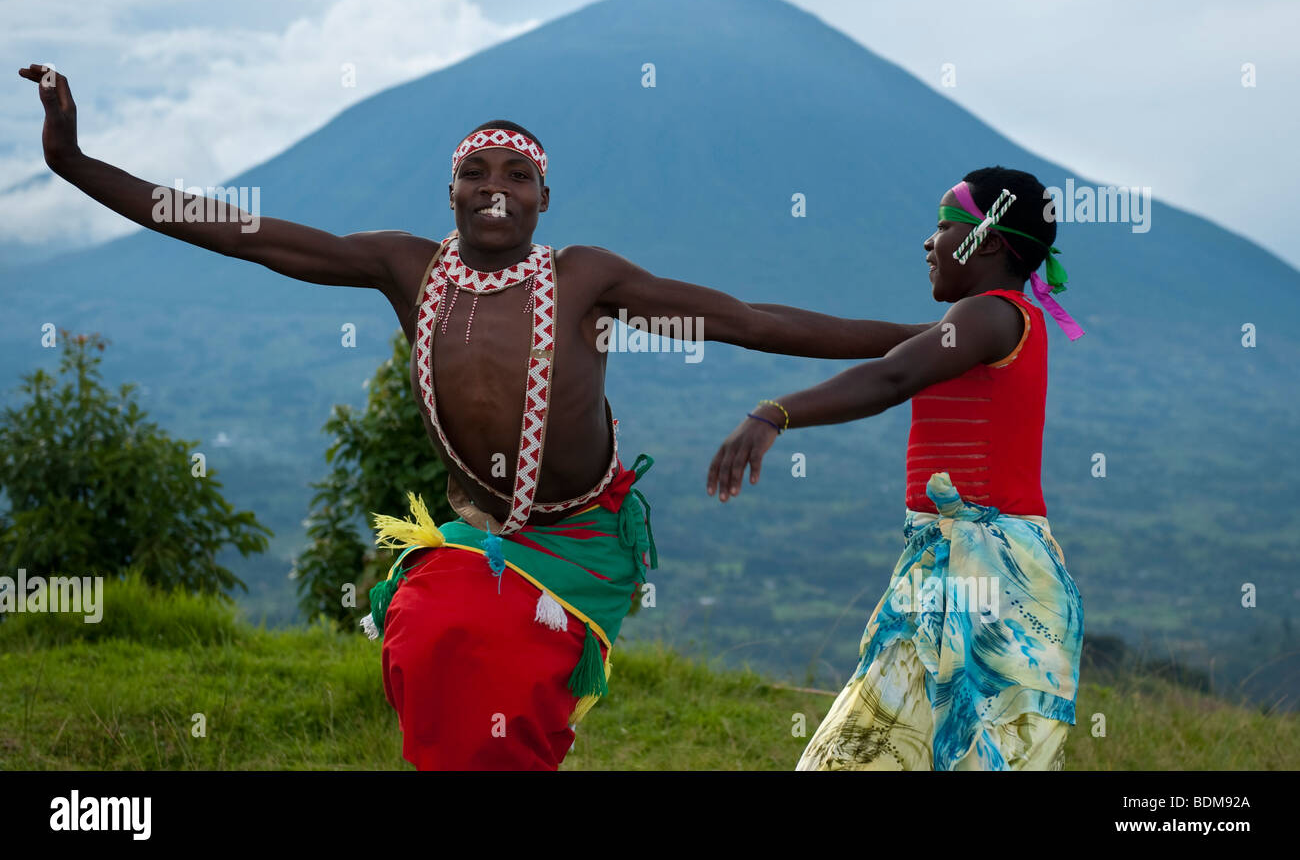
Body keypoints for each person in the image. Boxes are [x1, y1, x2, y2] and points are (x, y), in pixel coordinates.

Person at [21, 63, 936, 770]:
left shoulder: (586, 279)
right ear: (450, 192)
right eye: (474, 170)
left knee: (520, 683)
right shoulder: (406, 268)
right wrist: (72, 161)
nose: (494, 185)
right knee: (427, 635)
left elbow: (749, 320)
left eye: (516, 173)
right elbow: (238, 231)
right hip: (473, 531)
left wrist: (928, 341)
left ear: (544, 199)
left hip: (579, 534)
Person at [707, 166, 1086, 770]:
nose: (929, 243)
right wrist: (728, 320)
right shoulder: (974, 327)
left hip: (988, 579)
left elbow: (892, 376)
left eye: (942, 226)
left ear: (983, 241)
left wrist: (776, 413)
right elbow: (840, 335)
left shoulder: (991, 316)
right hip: (957, 567)